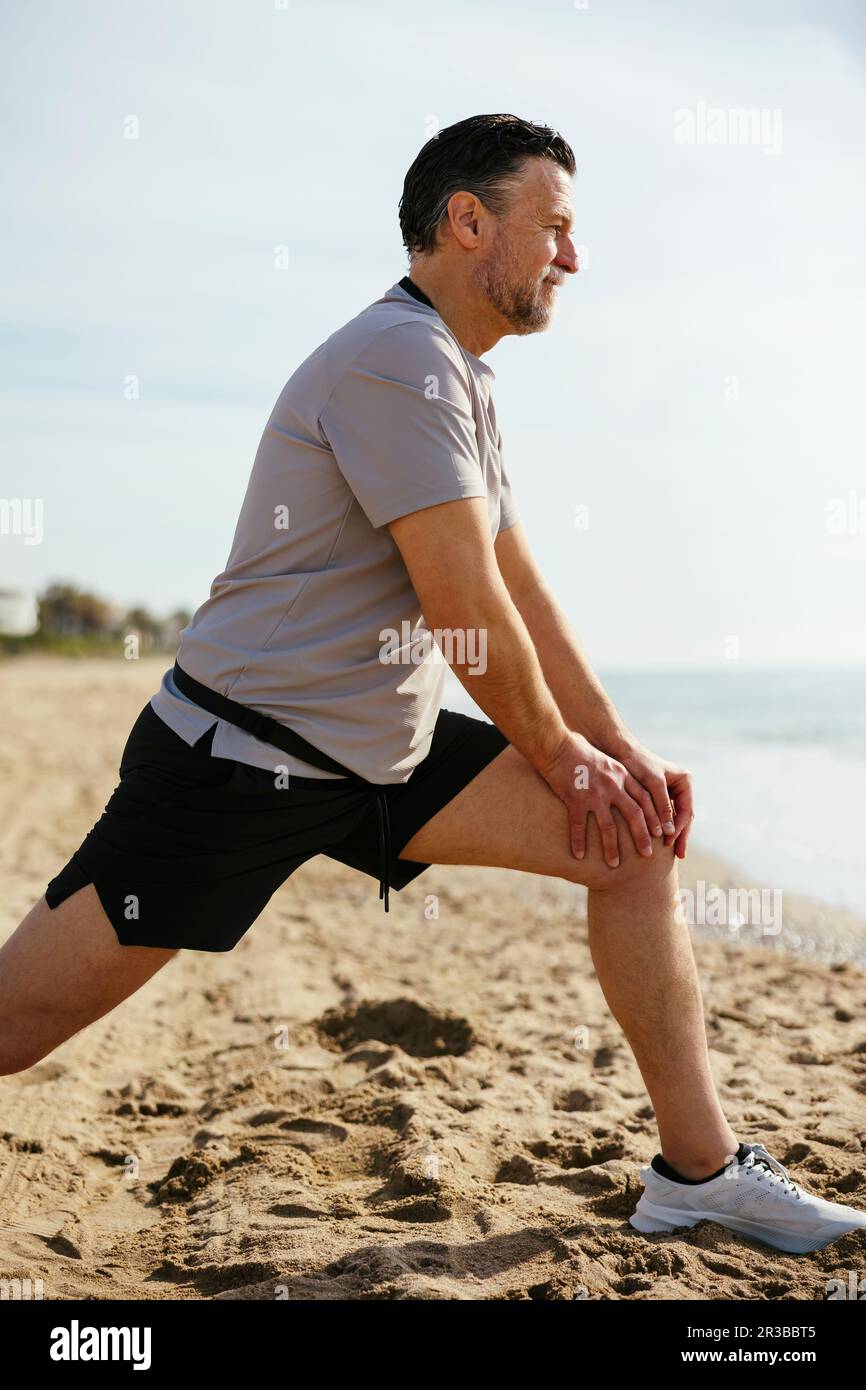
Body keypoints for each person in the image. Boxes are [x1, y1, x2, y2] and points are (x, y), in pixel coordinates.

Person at [2, 114, 863, 1257]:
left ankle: (696, 1173)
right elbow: (465, 616)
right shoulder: (395, 359)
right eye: (552, 227)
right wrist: (560, 756)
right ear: (468, 221)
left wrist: (616, 752)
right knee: (14, 1029)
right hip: (236, 760)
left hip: (379, 755)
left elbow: (516, 583)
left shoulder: (459, 373)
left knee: (631, 837)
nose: (572, 256)